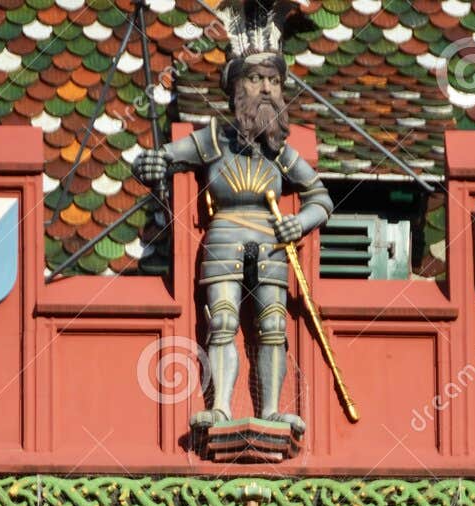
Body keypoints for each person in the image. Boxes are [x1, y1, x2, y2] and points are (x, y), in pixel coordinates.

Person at [132, 7, 332, 434]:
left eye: (273, 80)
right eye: (255, 78)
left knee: (273, 324)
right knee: (221, 319)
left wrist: (300, 224)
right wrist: (150, 163)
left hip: (271, 242)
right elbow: (162, 159)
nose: (266, 88)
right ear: (236, 86)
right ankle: (221, 406)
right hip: (223, 237)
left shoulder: (279, 151)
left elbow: (320, 197)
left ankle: (271, 410)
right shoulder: (212, 140)